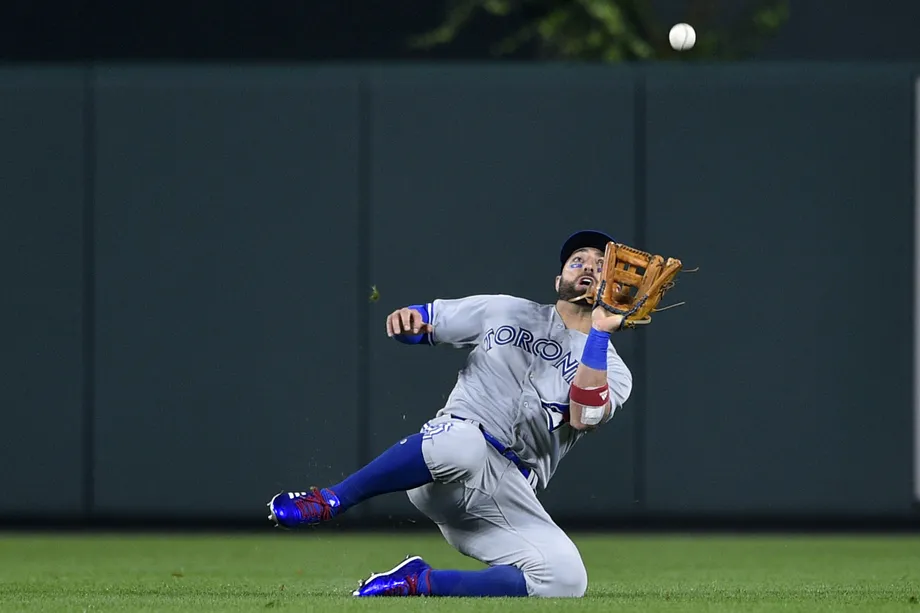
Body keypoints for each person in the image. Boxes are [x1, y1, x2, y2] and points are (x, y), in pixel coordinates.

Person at [267, 229, 633, 598]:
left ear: (615, 287)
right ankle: (329, 500)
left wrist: (599, 332)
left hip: (508, 489)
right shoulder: (505, 310)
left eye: (600, 265)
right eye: (577, 261)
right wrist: (408, 322)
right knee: (465, 445)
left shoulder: (615, 373)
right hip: (448, 455)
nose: (588, 267)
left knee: (566, 580)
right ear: (558, 280)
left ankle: (417, 582)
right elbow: (427, 321)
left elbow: (585, 415)